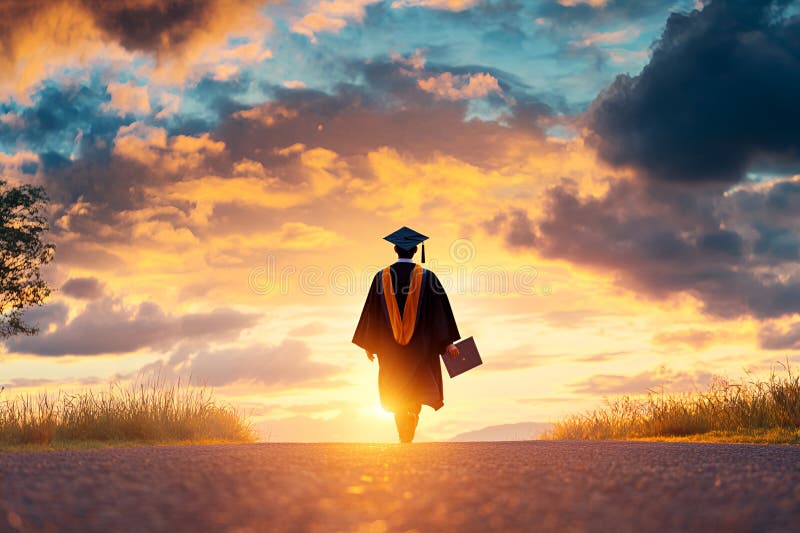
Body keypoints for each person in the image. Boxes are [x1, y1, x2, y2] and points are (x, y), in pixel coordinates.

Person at [352, 226, 461, 443]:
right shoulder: (428, 278)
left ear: (395, 249)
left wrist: (369, 345)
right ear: (415, 251)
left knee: (395, 387)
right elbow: (439, 314)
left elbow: (371, 314)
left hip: (390, 350)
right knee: (416, 386)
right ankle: (410, 421)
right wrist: (447, 343)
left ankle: (404, 430)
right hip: (421, 349)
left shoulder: (380, 278)